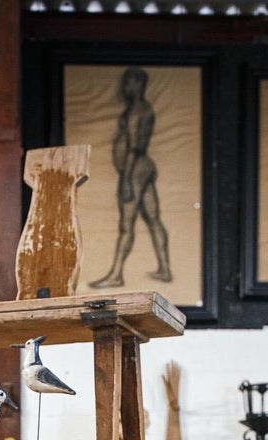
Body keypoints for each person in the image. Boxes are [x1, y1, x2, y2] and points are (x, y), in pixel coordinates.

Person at [90, 67, 172, 289]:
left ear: (137, 84)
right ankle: (164, 268)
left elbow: (133, 147)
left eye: (128, 82)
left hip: (135, 170)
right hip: (143, 167)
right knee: (153, 218)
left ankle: (116, 273)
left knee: (126, 225)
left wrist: (126, 179)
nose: (124, 87)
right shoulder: (142, 109)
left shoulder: (137, 111)